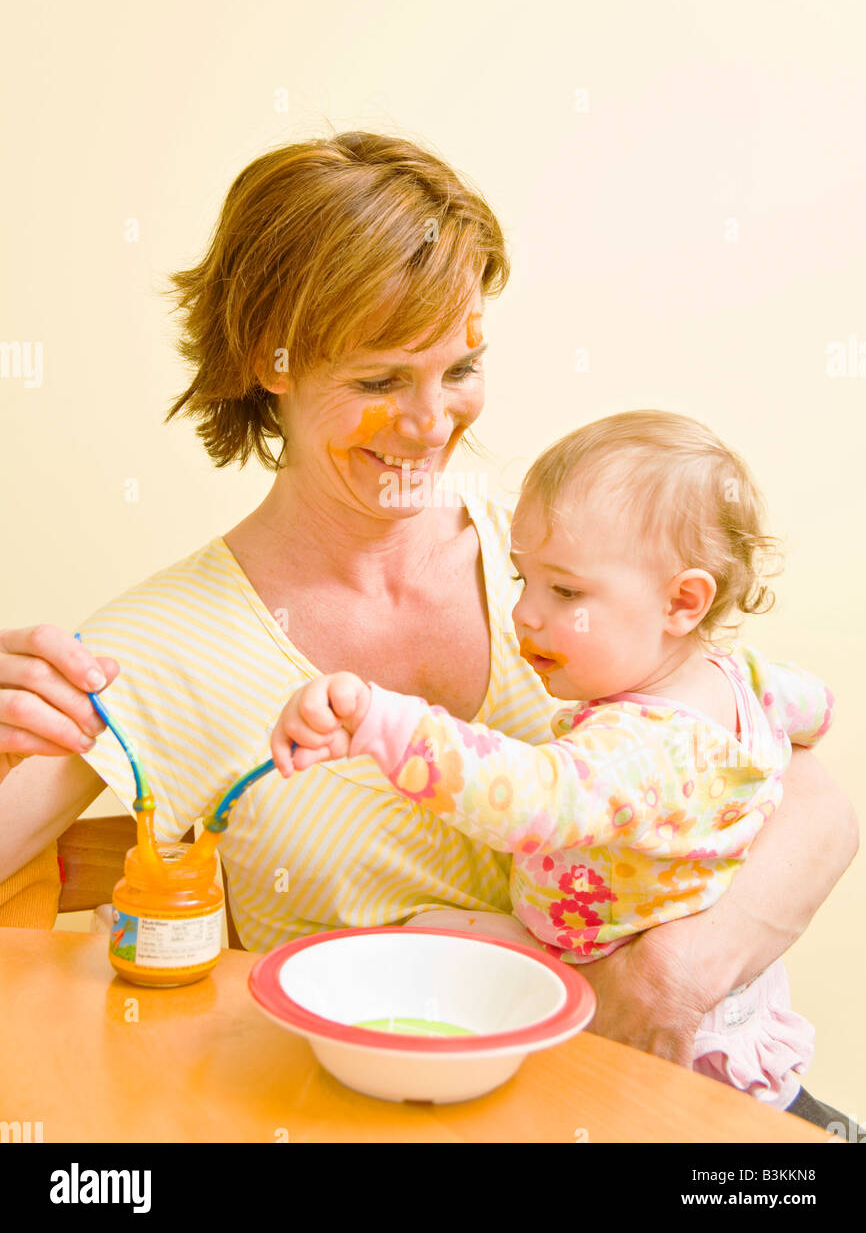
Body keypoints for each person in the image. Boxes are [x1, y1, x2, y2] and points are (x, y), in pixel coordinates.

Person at [0, 132, 857, 1131]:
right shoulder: (157, 648)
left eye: (460, 367)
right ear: (262, 363)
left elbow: (802, 788)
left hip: (687, 1102)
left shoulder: (556, 556)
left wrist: (673, 976)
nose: (429, 422)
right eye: (377, 381)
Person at [271, 409, 831, 1109]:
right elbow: (817, 707)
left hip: (670, 1044)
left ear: (683, 602)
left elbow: (533, 799)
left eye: (565, 592)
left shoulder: (641, 748)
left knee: (432, 957)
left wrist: (386, 725)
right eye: (521, 579)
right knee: (430, 937)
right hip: (677, 976)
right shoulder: (742, 675)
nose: (526, 616)